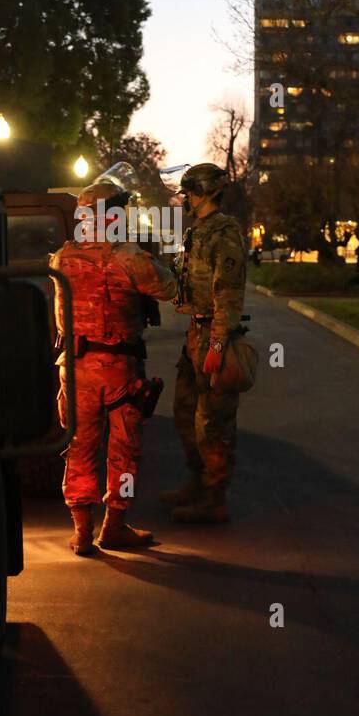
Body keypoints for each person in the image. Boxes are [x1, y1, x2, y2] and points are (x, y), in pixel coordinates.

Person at [50, 181, 176, 554]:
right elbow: (170, 288)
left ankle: (82, 532)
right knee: (124, 450)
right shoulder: (128, 257)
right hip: (119, 367)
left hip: (74, 369)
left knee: (79, 446)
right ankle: (115, 526)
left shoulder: (62, 257)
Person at [161, 163, 246, 523]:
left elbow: (226, 296)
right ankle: (197, 482)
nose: (187, 199)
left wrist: (215, 348)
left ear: (205, 192)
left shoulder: (225, 232)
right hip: (195, 333)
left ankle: (215, 497)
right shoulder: (199, 230)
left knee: (213, 421)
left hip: (213, 337)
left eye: (190, 192)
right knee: (184, 412)